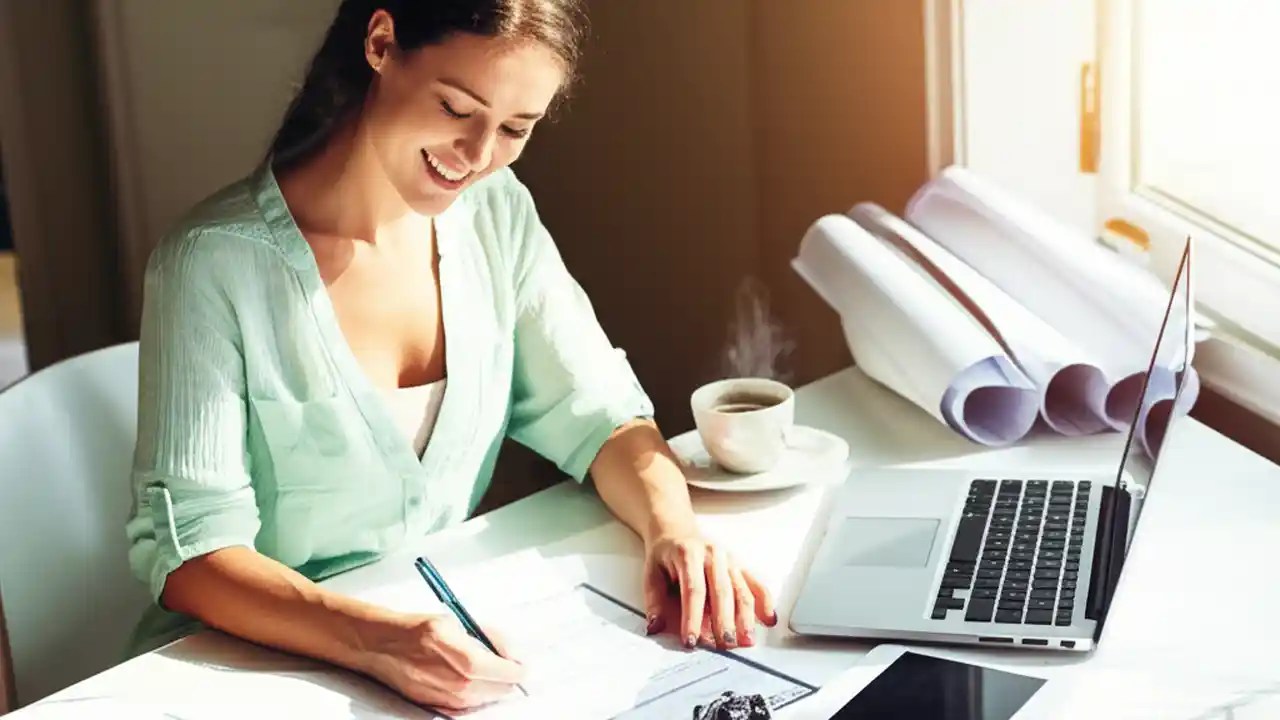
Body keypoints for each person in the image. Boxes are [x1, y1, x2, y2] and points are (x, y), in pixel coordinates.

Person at [124, 0, 775, 710]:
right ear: (381, 43)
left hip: (431, 657)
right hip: (240, 676)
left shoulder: (496, 214)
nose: (478, 154)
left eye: (515, 129)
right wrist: (379, 642)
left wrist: (672, 529)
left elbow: (603, 416)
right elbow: (194, 557)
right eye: (456, 106)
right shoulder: (211, 266)